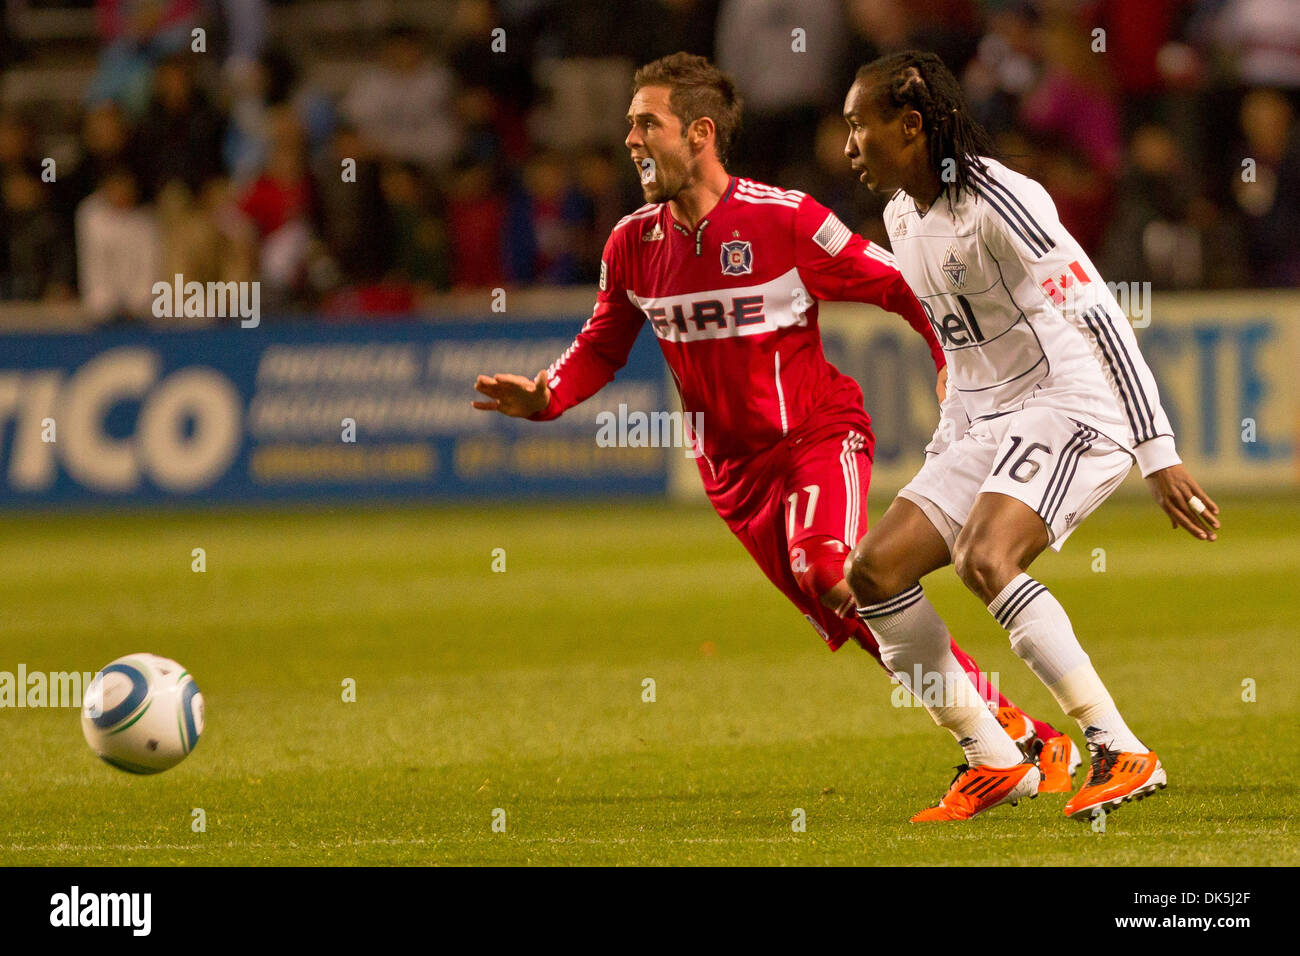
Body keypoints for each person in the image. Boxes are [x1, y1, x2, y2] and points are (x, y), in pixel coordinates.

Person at [473, 53, 1077, 781]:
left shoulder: (783, 220)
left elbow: (900, 285)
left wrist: (949, 360)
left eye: (645, 123)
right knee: (853, 612)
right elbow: (602, 343)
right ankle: (1020, 729)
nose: (630, 139)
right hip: (732, 476)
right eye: (629, 125)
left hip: (818, 435)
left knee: (828, 565)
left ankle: (996, 754)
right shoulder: (632, 244)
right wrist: (547, 396)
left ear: (698, 133)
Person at [839, 50, 1220, 822]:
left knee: (987, 556)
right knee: (873, 574)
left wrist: (1158, 451)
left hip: (1071, 400)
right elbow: (958, 346)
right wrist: (951, 437)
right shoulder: (901, 216)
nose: (848, 145)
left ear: (910, 126)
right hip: (983, 414)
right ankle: (994, 758)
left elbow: (1098, 314)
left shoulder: (1002, 199)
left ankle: (1119, 748)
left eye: (859, 126)